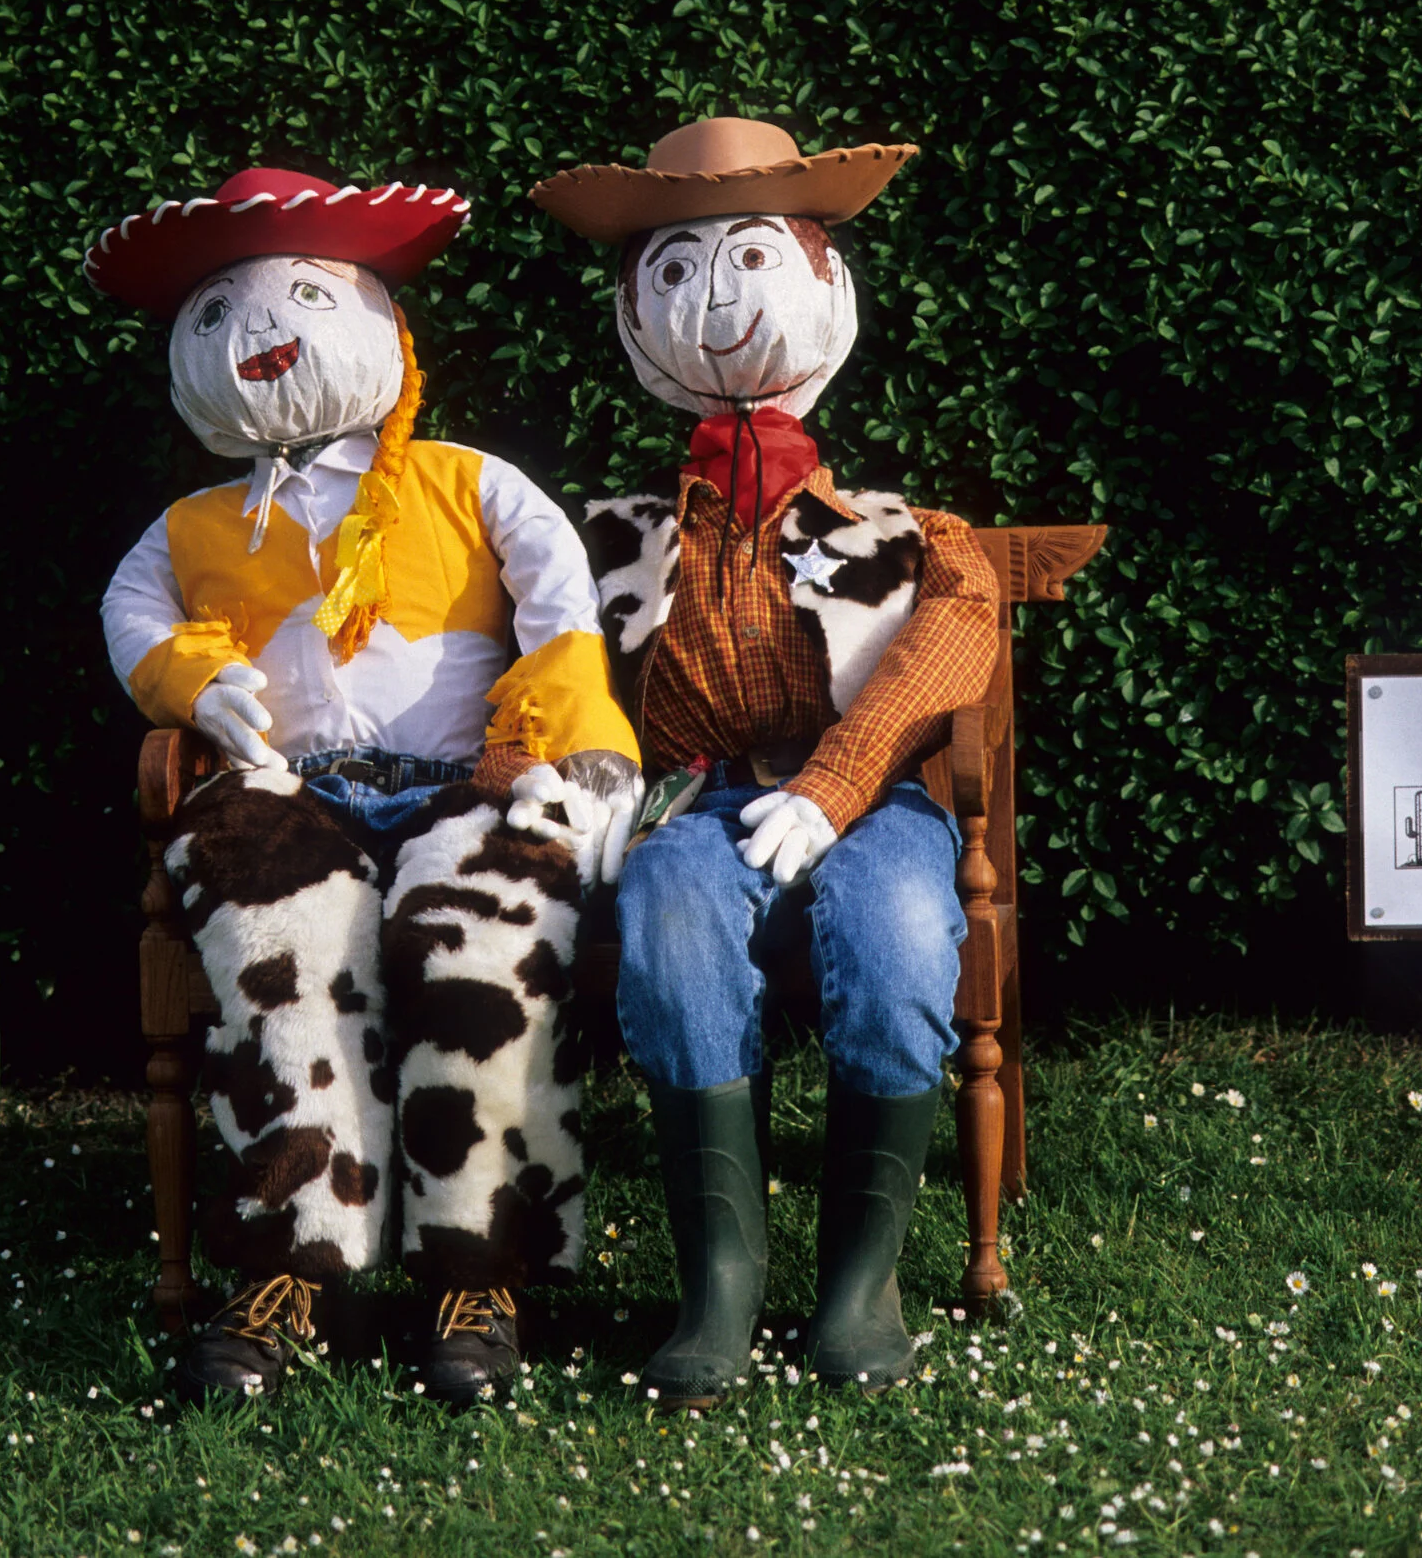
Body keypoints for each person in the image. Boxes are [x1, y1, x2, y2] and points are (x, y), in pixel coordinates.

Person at [91, 166, 641, 1403]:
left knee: (487, 943)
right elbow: (130, 614)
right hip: (286, 791)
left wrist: (570, 745)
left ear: (384, 324)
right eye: (218, 315)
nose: (260, 335)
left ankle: (476, 1267)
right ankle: (290, 1263)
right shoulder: (192, 526)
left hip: (468, 781)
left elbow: (562, 606)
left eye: (296, 298)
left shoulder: (466, 480)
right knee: (280, 942)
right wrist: (190, 676)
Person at [528, 118, 999, 1404]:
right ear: (636, 317)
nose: (714, 298)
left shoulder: (905, 530)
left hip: (872, 800)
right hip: (700, 795)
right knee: (672, 911)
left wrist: (837, 782)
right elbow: (552, 660)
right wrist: (591, 775)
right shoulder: (612, 537)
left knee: (904, 926)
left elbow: (953, 648)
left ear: (827, 287)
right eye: (674, 271)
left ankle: (859, 1278)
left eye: (747, 260)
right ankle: (719, 1281)